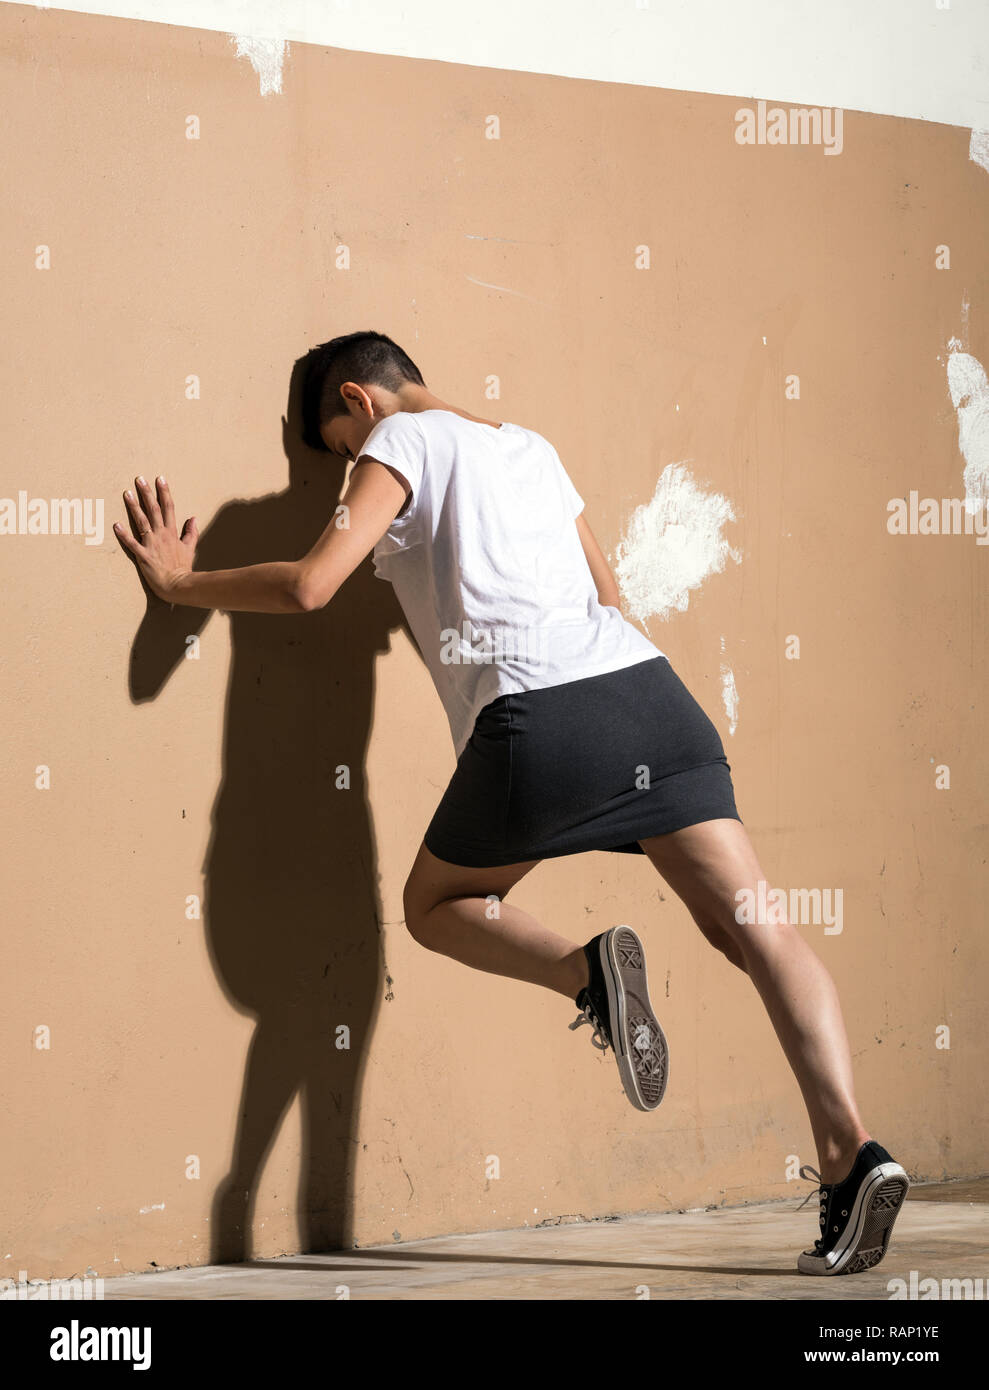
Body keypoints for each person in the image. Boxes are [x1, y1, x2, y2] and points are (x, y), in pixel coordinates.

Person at [114, 329, 909, 1276]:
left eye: (336, 448)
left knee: (432, 907)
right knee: (758, 926)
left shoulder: (396, 442)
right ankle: (850, 1154)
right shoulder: (530, 445)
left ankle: (587, 975)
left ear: (360, 403)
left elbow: (312, 585)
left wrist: (178, 584)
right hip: (653, 698)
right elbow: (611, 594)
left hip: (541, 718)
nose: (344, 473)